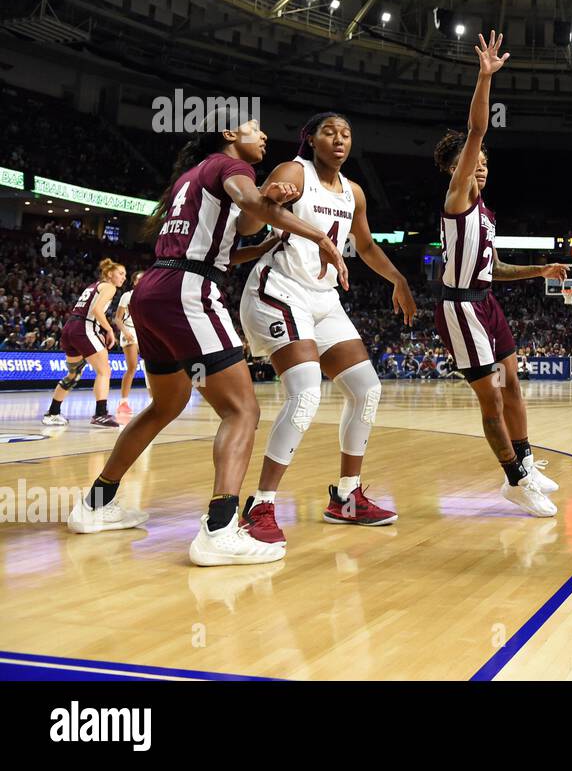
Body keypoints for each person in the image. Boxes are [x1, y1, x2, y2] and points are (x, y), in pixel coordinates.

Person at [65, 116, 348, 567]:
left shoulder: (191, 178)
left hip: (152, 293)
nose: (263, 135)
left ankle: (96, 504)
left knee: (164, 405)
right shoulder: (230, 167)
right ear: (230, 136)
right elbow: (249, 199)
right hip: (188, 293)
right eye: (255, 129)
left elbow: (229, 243)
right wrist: (318, 236)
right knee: (242, 410)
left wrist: (261, 234)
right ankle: (219, 529)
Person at [236, 111, 418, 546]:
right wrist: (270, 198)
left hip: (323, 299)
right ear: (311, 140)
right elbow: (247, 225)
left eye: (346, 134)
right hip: (279, 289)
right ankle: (260, 504)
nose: (339, 139)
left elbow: (367, 245)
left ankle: (347, 497)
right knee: (307, 393)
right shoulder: (292, 172)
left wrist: (399, 279)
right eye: (329, 132)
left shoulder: (354, 191)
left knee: (366, 389)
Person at [433, 31, 569, 517]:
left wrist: (540, 270)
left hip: (485, 300)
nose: (481, 166)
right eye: (474, 163)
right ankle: (514, 480)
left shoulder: (485, 214)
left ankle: (527, 461)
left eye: (486, 163)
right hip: (460, 305)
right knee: (489, 396)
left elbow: (495, 268)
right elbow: (475, 132)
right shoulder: (456, 199)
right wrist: (484, 78)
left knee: (512, 383)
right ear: (456, 170)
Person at [42, 258, 126, 428]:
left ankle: (52, 412)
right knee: (104, 371)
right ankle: (101, 414)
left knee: (73, 375)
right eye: (121, 274)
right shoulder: (109, 287)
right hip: (84, 329)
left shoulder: (93, 286)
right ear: (110, 274)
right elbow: (96, 310)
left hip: (70, 329)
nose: (124, 277)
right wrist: (109, 330)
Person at [114, 270, 146, 417]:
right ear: (134, 282)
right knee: (132, 367)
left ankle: (154, 400)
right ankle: (123, 402)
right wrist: (126, 332)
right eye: (139, 279)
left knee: (149, 367)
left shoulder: (149, 297)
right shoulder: (127, 296)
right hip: (129, 331)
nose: (142, 282)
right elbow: (118, 319)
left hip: (144, 333)